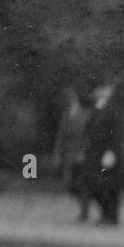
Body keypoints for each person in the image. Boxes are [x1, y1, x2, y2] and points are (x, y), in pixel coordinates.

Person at [84, 79, 124, 225]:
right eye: (100, 89)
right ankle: (106, 213)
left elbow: (118, 133)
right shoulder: (97, 108)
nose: (102, 92)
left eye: (105, 89)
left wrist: (112, 152)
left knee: (109, 185)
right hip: (95, 153)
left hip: (109, 153)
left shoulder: (115, 109)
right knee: (95, 183)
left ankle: (111, 216)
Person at [52, 86, 90, 221]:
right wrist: (57, 154)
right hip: (68, 154)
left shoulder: (86, 114)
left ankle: (84, 211)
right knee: (68, 183)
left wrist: (83, 151)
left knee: (80, 183)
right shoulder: (66, 115)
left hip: (79, 154)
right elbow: (60, 136)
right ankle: (84, 206)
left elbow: (87, 136)